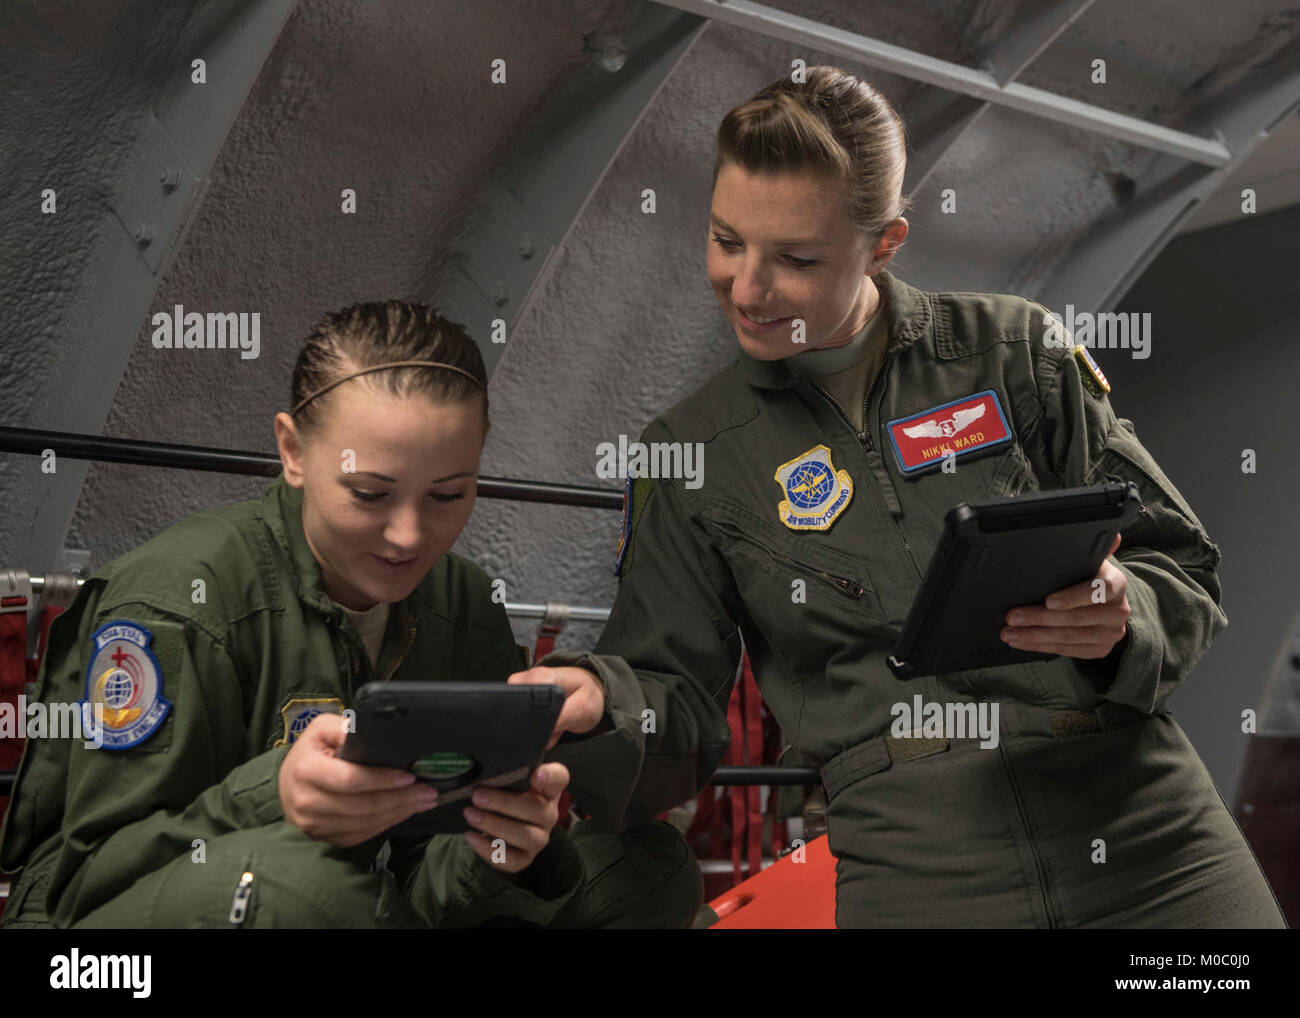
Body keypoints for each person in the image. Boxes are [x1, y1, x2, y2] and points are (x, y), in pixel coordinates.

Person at [521, 66, 1288, 928]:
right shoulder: (688, 453)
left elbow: (1180, 563)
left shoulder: (1014, 352)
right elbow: (679, 706)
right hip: (918, 864)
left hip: (1148, 831)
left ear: (885, 241)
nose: (746, 288)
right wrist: (600, 699)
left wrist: (1126, 611)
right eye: (727, 240)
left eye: (796, 259)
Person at [0, 301, 703, 929]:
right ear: (292, 451)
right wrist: (274, 796)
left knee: (643, 871)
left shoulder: (464, 605)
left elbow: (426, 876)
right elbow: (80, 887)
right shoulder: (175, 604)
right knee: (291, 891)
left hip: (357, 902)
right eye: (370, 493)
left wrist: (505, 848)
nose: (408, 536)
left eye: (448, 495)